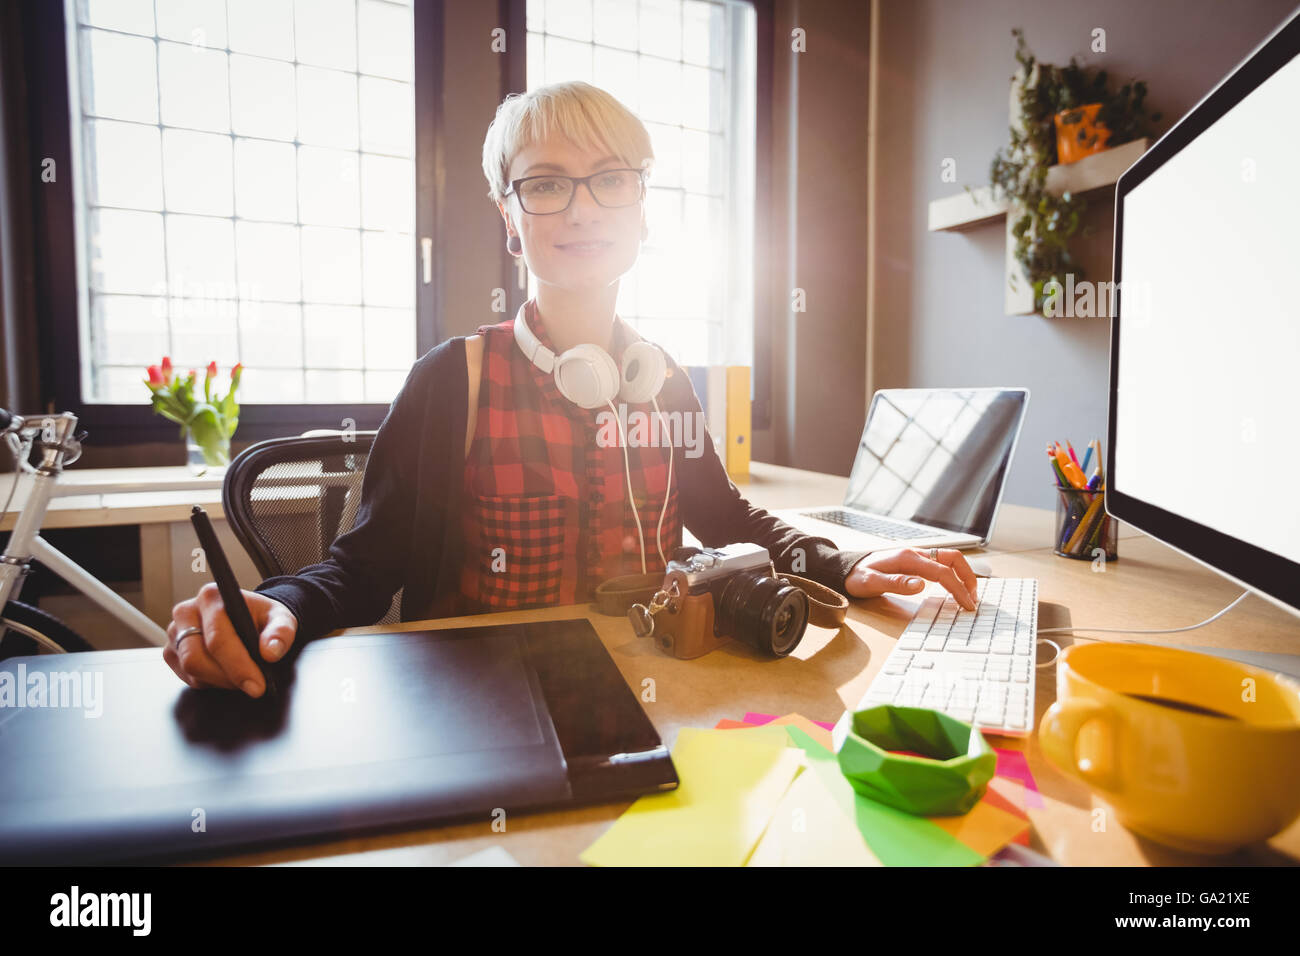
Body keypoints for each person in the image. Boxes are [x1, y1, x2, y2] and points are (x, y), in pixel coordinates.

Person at [165, 81, 978, 696]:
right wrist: (282, 606)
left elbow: (727, 517)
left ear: (642, 208)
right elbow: (363, 566)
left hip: (665, 688)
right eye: (547, 184)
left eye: (611, 179)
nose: (583, 209)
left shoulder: (663, 382)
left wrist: (846, 567)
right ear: (509, 217)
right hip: (493, 702)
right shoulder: (452, 382)